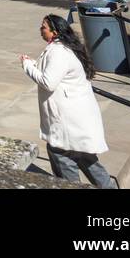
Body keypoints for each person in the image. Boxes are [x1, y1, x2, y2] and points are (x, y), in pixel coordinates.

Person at [20, 14, 117, 189]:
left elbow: (48, 82)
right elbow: (52, 72)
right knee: (84, 156)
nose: (40, 29)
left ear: (54, 32)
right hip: (76, 116)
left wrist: (27, 67)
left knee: (60, 154)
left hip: (68, 118)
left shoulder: (59, 52)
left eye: (43, 27)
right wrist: (35, 64)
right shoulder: (62, 48)